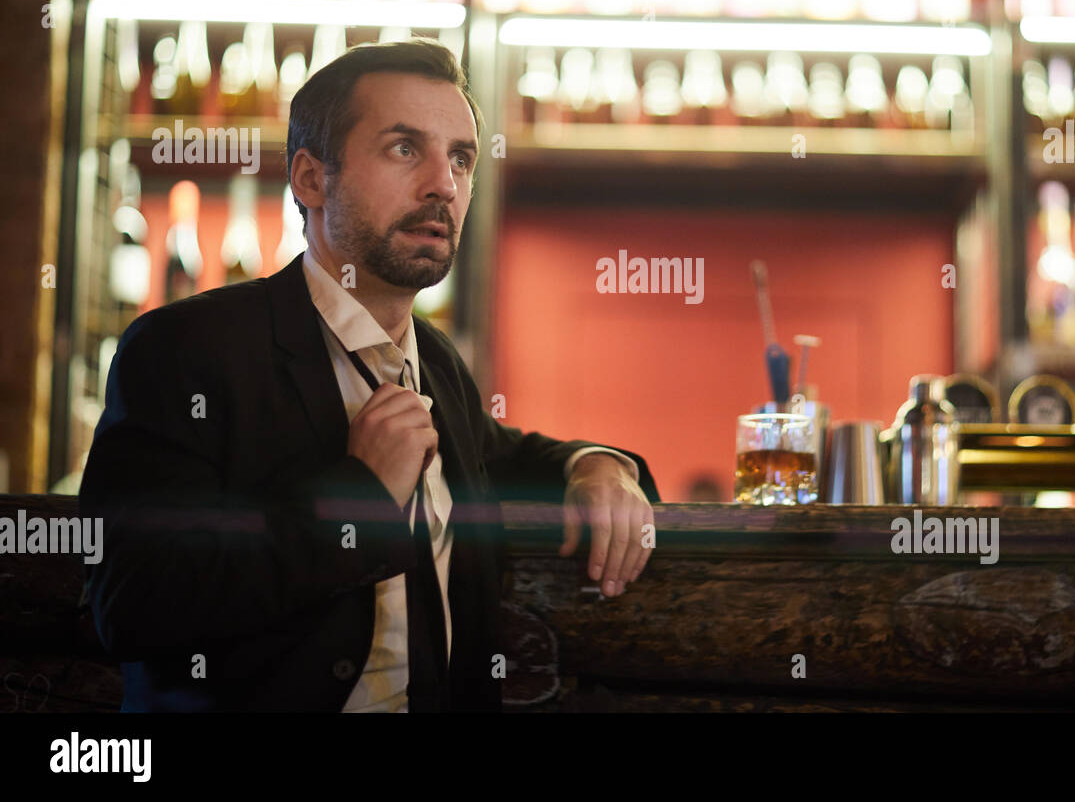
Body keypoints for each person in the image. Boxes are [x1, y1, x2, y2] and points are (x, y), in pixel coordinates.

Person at [79, 38, 658, 712]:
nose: (444, 183)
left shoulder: (435, 363)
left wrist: (598, 467)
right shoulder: (186, 349)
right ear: (310, 179)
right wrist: (359, 494)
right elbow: (129, 605)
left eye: (461, 158)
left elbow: (508, 453)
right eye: (405, 148)